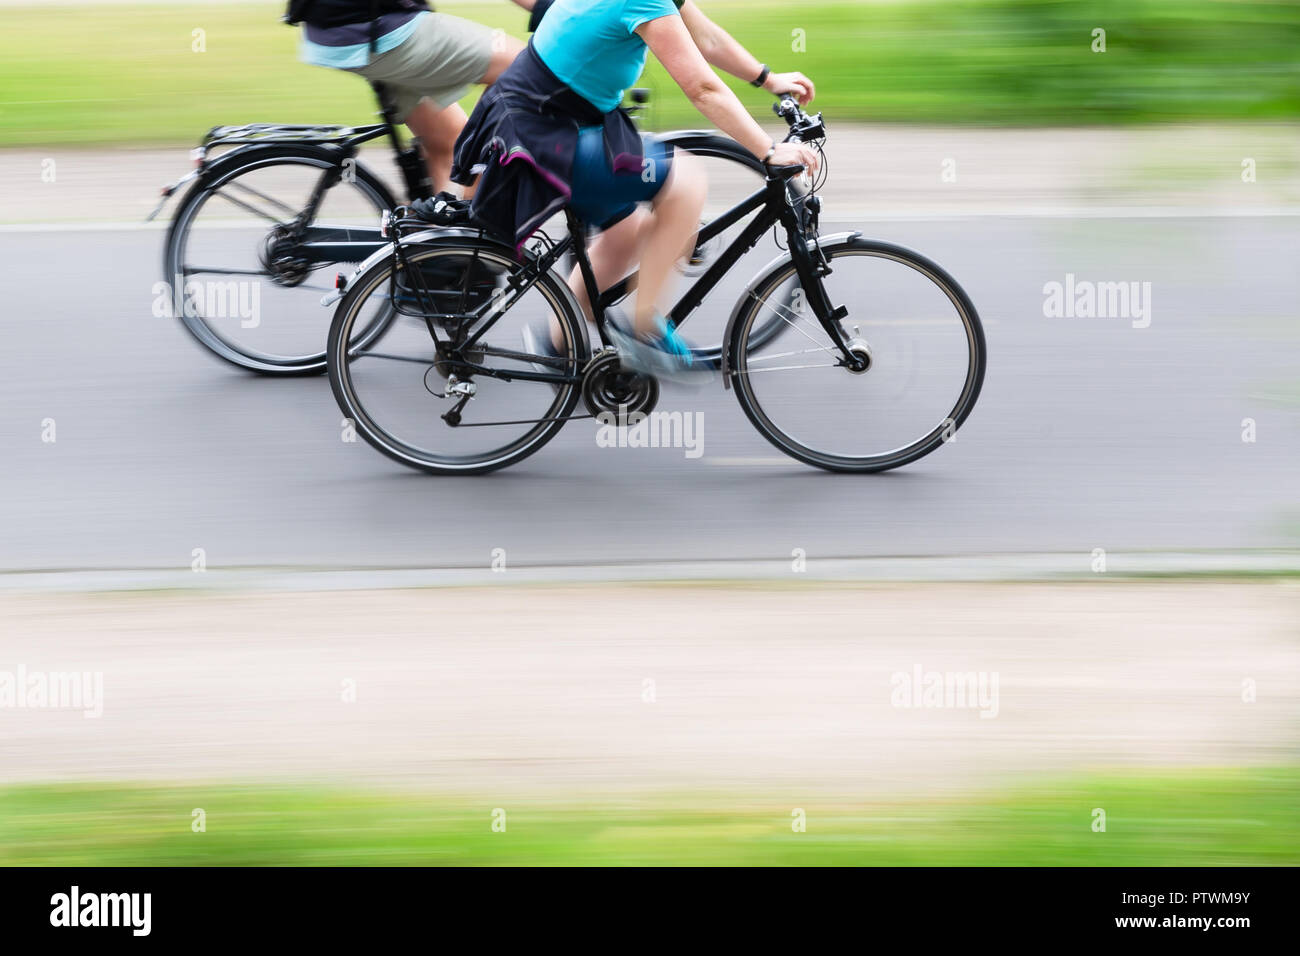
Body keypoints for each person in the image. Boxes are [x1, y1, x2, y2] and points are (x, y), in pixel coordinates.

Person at [449, 0, 821, 375]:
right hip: (550, 132)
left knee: (624, 234)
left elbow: (705, 37)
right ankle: (647, 331)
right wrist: (768, 150)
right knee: (685, 182)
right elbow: (702, 88)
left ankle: (560, 348)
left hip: (557, 119)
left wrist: (768, 79)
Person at [285, 0, 535, 192]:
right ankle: (472, 209)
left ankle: (440, 244)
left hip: (336, 27)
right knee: (525, 67)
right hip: (375, 27)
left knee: (446, 141)